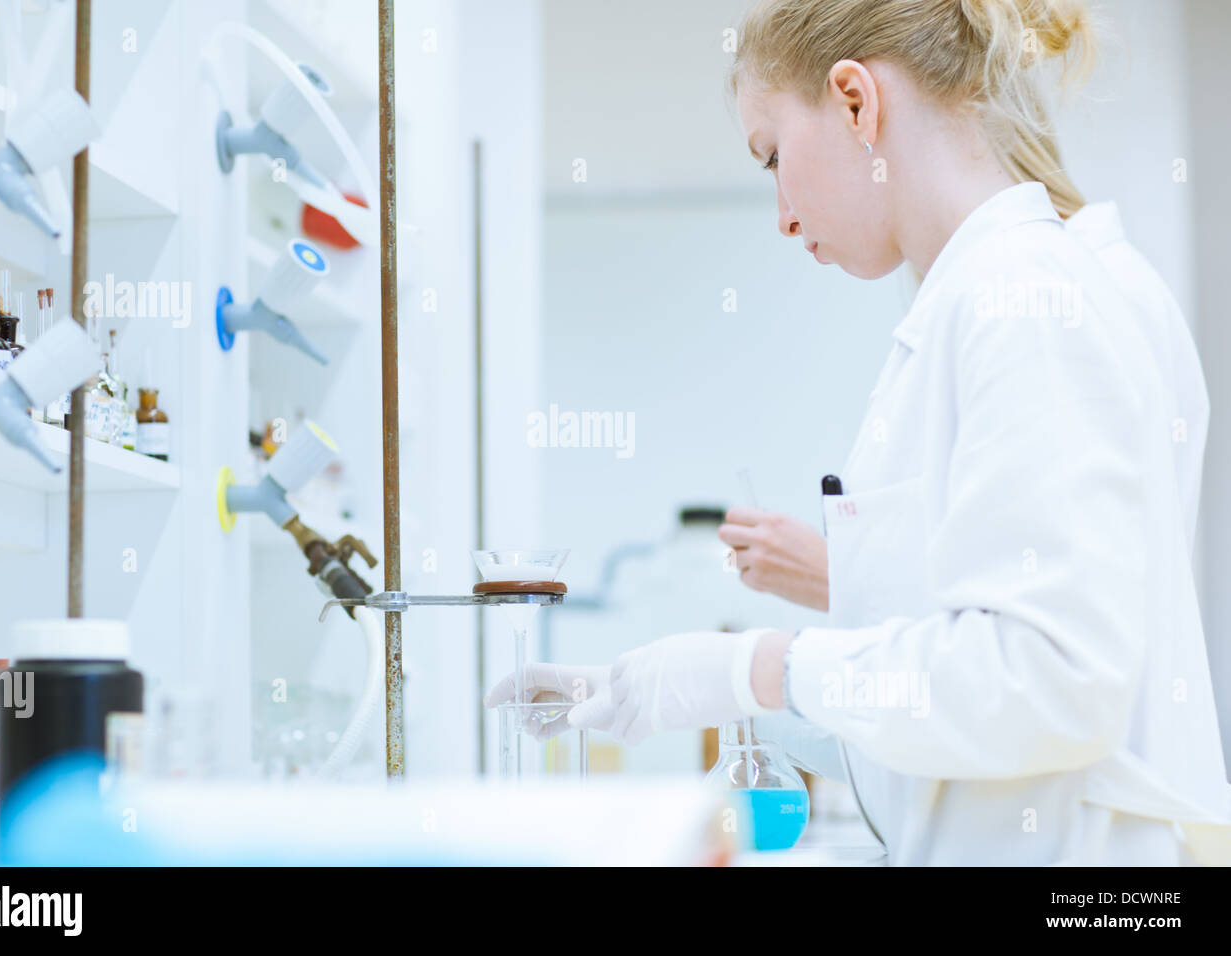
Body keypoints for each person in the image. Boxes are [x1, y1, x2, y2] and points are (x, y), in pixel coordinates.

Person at [486, 0, 1231, 864]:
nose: (783, 216)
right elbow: (941, 711)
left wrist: (756, 666)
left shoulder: (1024, 298)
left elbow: (1048, 682)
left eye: (773, 157)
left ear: (853, 101)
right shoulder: (957, 311)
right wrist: (657, 689)